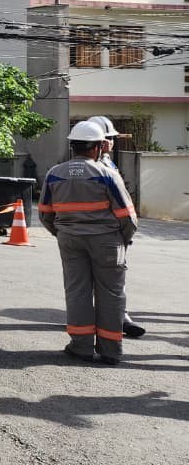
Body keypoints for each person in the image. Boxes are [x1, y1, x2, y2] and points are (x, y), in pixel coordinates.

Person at [39, 120, 138, 366]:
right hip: (107, 241)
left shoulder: (54, 174)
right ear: (97, 148)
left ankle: (81, 346)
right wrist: (123, 239)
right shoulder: (106, 173)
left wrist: (62, 232)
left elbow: (44, 213)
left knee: (77, 291)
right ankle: (110, 351)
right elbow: (128, 215)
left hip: (70, 240)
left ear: (73, 146)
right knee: (111, 294)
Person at [86, 115, 146, 339]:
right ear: (100, 141)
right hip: (108, 233)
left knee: (107, 280)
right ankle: (118, 319)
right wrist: (126, 232)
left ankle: (115, 318)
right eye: (109, 138)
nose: (112, 142)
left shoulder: (107, 162)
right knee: (110, 280)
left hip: (107, 232)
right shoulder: (98, 166)